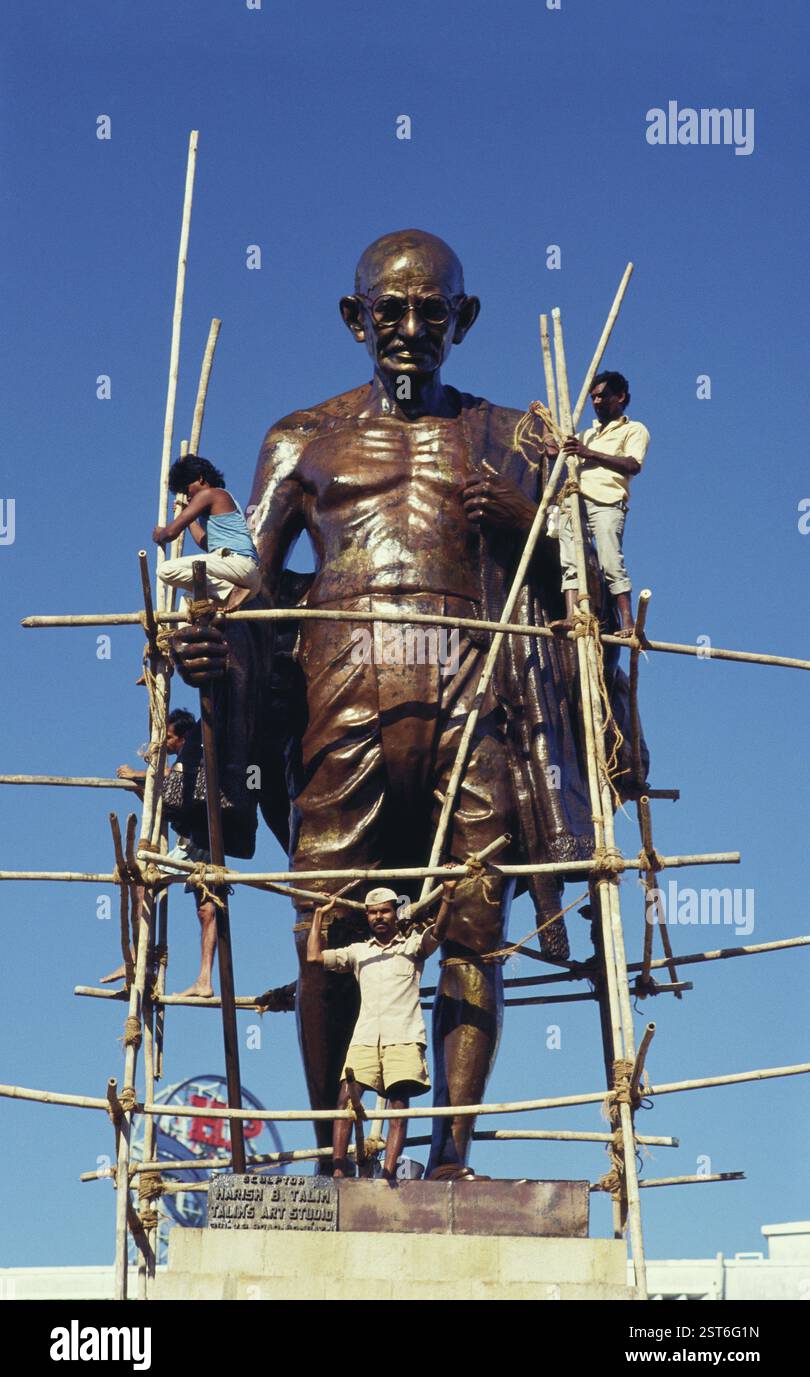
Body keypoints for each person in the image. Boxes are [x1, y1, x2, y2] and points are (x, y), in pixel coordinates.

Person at [171, 230, 644, 1176]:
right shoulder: (297, 438)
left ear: (463, 319)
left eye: (435, 310)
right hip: (342, 688)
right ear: (357, 319)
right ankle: (333, 1159)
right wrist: (203, 641)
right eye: (392, 310)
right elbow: (241, 577)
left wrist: (527, 524)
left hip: (480, 695)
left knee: (476, 923)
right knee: (325, 926)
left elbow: (593, 590)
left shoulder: (517, 436)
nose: (412, 328)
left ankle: (450, 1157)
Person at [307, 877, 456, 1181]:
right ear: (368, 917)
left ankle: (388, 1174)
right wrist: (319, 915)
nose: (379, 917)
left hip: (403, 1036)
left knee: (398, 1106)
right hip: (365, 1037)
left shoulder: (412, 946)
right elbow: (314, 957)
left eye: (385, 912)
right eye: (373, 913)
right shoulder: (360, 952)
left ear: (394, 913)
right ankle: (338, 1168)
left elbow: (438, 933)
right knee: (346, 1099)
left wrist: (449, 896)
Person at [101, 709, 219, 998]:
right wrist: (144, 788)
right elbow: (169, 800)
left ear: (183, 737)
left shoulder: (196, 753)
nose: (164, 743)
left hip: (199, 842)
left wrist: (138, 775)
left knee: (145, 881)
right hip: (198, 839)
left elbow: (167, 775)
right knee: (206, 910)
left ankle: (143, 958)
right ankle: (198, 977)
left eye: (168, 737)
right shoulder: (191, 758)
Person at [552, 371, 649, 638]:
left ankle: (628, 622)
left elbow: (632, 464)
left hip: (606, 500)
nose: (596, 402)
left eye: (602, 396)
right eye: (593, 397)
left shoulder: (634, 429)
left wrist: (588, 453)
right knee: (570, 558)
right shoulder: (586, 435)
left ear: (620, 397)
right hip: (576, 500)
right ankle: (574, 616)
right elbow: (567, 456)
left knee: (609, 560)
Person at [153, 454, 261, 611]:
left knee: (165, 570)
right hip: (246, 576)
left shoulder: (210, 494)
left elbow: (170, 534)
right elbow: (206, 543)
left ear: (201, 479)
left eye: (186, 489)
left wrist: (159, 534)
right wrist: (187, 516)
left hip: (238, 565)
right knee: (189, 601)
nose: (188, 495)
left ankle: (231, 591)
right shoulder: (220, 500)